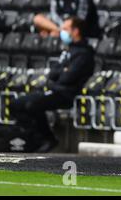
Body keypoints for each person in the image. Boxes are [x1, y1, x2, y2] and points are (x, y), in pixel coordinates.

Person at [11, 17, 95, 152]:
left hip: (66, 94)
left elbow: (67, 78)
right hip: (54, 90)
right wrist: (62, 72)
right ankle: (32, 139)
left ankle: (47, 139)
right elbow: (53, 72)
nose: (62, 31)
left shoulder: (84, 54)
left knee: (32, 105)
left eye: (66, 29)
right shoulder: (69, 50)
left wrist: (60, 74)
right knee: (15, 104)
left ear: (76, 31)